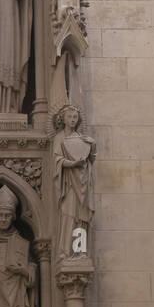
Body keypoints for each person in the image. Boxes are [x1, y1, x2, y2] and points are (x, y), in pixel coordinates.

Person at [53, 104, 95, 259]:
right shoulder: (59, 138)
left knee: (81, 217)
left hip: (83, 182)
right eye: (69, 117)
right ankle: (65, 251)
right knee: (69, 216)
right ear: (63, 119)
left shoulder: (82, 139)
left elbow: (91, 159)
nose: (72, 120)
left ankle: (80, 250)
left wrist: (93, 146)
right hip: (68, 183)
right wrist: (73, 164)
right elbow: (57, 160)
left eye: (75, 117)